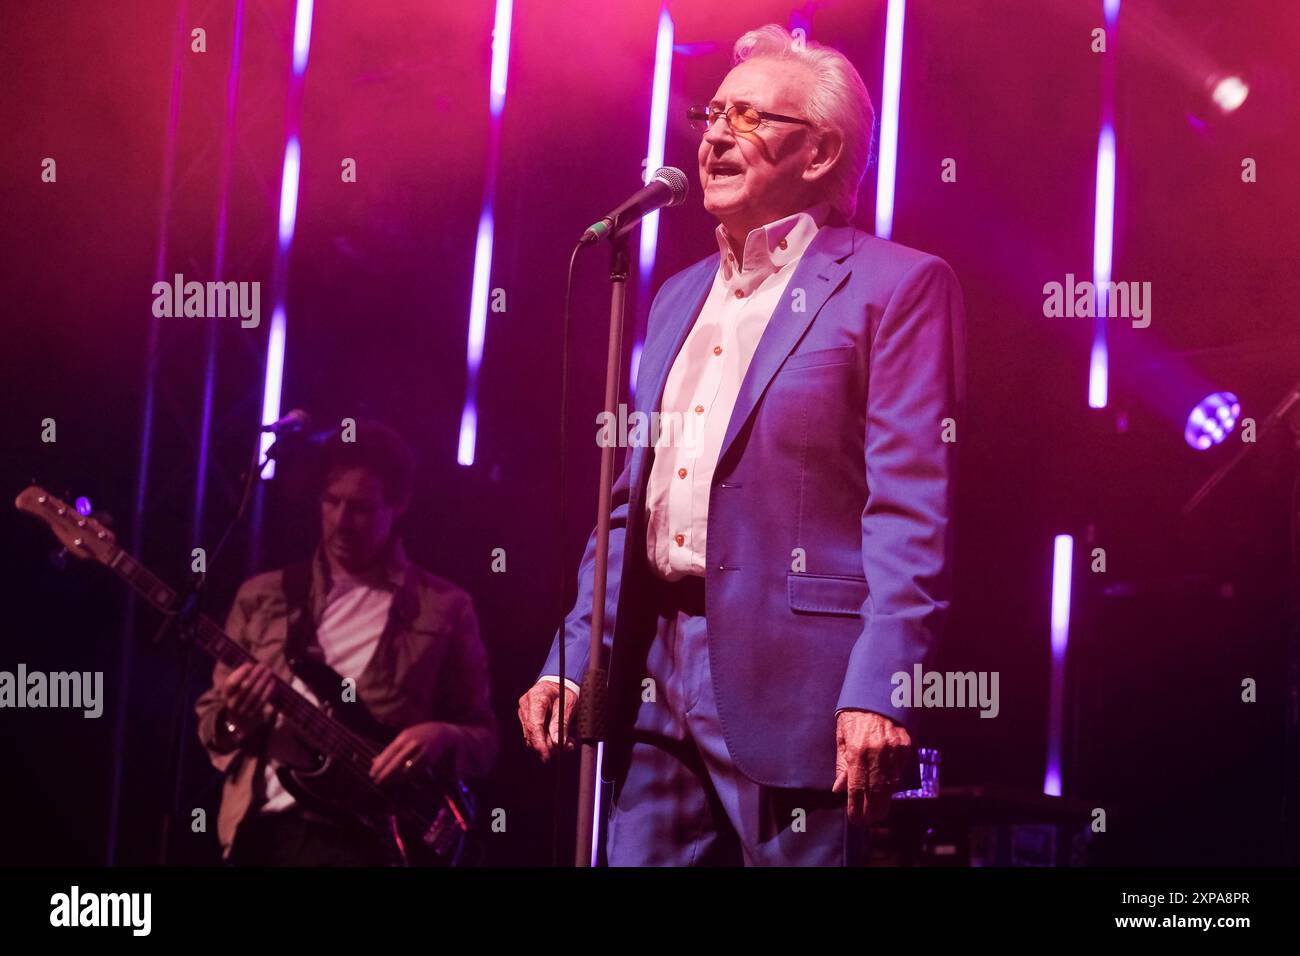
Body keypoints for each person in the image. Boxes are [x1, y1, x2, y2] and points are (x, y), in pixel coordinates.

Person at [519, 24, 964, 865]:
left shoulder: (895, 286)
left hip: (803, 683)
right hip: (654, 680)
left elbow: (911, 510)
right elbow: (627, 508)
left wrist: (881, 689)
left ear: (823, 151)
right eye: (712, 113)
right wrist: (575, 658)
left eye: (750, 118)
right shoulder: (675, 297)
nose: (715, 134)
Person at [195, 421, 497, 865]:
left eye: (360, 508)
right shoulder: (264, 597)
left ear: (399, 505)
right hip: (262, 829)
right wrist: (235, 719)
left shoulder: (446, 609)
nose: (340, 522)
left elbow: (484, 741)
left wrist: (441, 735)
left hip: (369, 844)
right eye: (331, 501)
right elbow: (212, 727)